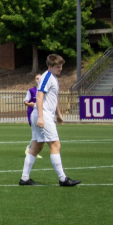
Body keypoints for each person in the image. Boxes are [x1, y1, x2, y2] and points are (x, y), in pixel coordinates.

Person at [19, 54, 80, 187]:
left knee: (37, 146)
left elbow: (52, 99)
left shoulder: (52, 77)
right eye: (57, 67)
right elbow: (39, 96)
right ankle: (63, 179)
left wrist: (58, 114)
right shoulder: (47, 77)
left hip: (43, 114)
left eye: (61, 66)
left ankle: (24, 178)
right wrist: (41, 116)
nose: (60, 69)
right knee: (55, 145)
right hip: (43, 115)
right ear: (50, 66)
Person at [23, 74, 42, 159]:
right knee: (35, 132)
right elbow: (25, 101)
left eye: (39, 79)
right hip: (32, 113)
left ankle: (33, 150)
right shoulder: (31, 91)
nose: (38, 80)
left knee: (40, 133)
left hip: (42, 113)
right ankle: (31, 149)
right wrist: (30, 104)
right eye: (37, 79)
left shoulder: (44, 90)